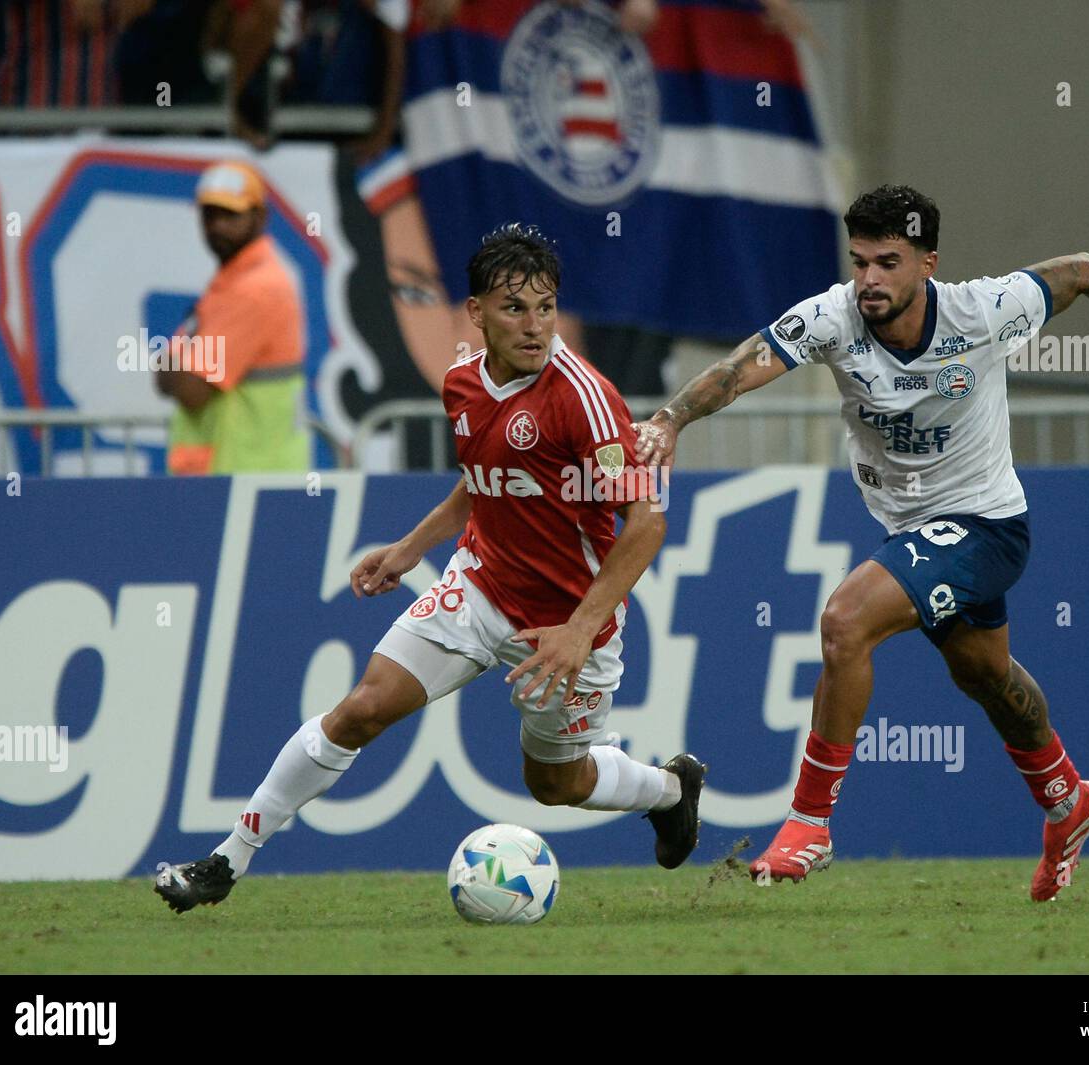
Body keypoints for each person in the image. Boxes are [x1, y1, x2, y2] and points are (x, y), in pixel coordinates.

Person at [634, 184, 1089, 901]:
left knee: (845, 620)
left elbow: (1086, 271)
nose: (870, 280)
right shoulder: (833, 318)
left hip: (988, 526)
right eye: (860, 262)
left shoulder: (984, 309)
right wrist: (670, 419)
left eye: (888, 261)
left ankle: (810, 821)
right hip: (912, 528)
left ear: (928, 263)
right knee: (984, 675)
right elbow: (736, 370)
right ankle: (1067, 798)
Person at [155, 223, 704, 912]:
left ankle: (671, 789)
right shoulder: (461, 383)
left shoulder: (586, 400)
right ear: (474, 313)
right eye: (513, 308)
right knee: (360, 709)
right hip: (479, 585)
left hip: (567, 622)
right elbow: (487, 478)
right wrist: (413, 545)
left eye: (545, 307)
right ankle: (225, 861)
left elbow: (647, 523)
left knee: (554, 783)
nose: (534, 326)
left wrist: (579, 629)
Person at [155, 160, 310, 475]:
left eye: (230, 214)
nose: (217, 226)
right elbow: (167, 378)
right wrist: (175, 365)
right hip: (242, 476)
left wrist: (173, 358)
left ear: (260, 216)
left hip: (247, 480)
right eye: (209, 215)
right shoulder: (235, 282)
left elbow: (190, 391)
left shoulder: (254, 289)